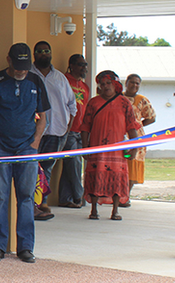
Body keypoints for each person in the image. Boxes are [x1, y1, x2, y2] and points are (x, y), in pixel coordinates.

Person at [0, 43, 49, 264]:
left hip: (27, 149)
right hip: (1, 149)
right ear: (8, 60)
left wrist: (35, 143)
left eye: (25, 67)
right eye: (18, 66)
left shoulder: (36, 81)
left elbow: (43, 117)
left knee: (26, 198)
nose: (21, 71)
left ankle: (25, 248)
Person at [82, 71, 142, 220]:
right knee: (95, 178)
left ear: (115, 84)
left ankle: (115, 211)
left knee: (117, 180)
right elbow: (85, 127)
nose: (105, 86)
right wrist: (84, 146)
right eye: (102, 84)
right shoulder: (93, 103)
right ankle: (94, 210)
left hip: (117, 151)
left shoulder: (124, 103)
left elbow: (131, 127)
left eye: (108, 83)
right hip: (97, 148)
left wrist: (135, 147)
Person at [31, 41, 77, 220]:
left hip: (57, 132)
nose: (44, 54)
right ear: (34, 54)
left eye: (46, 51)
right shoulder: (28, 75)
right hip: (34, 132)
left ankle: (42, 203)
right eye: (40, 51)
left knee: (46, 168)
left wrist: (67, 128)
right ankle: (32, 204)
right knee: (32, 167)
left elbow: (72, 105)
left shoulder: (60, 78)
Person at [58, 54, 90, 208]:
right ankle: (80, 196)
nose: (84, 67)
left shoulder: (84, 87)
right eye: (80, 64)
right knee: (74, 163)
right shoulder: (64, 81)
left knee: (70, 165)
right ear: (71, 65)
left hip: (80, 130)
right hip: (68, 129)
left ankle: (65, 198)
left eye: (85, 64)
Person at [123, 73, 156, 205]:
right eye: (132, 82)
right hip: (120, 137)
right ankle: (117, 195)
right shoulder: (118, 97)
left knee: (132, 167)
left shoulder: (142, 100)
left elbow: (151, 117)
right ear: (126, 83)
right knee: (120, 166)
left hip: (137, 138)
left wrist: (138, 125)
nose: (135, 85)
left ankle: (125, 196)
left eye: (137, 83)